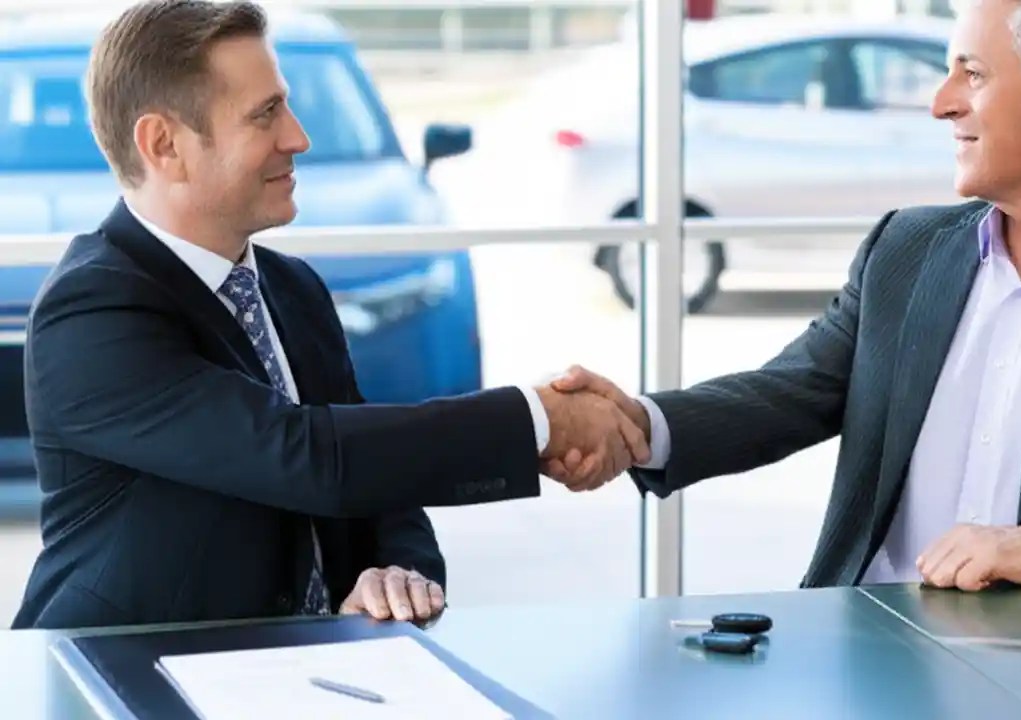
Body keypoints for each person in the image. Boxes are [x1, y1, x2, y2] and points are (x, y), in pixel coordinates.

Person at [547, 0, 1021, 591]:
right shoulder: (906, 249)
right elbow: (791, 391)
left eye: (972, 74)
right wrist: (638, 424)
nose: (940, 103)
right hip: (863, 643)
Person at [12, 0, 647, 630]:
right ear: (164, 144)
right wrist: (537, 420)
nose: (298, 137)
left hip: (306, 671)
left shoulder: (292, 289)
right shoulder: (91, 312)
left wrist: (398, 573)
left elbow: (374, 476)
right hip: (125, 679)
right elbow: (304, 455)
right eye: (265, 115)